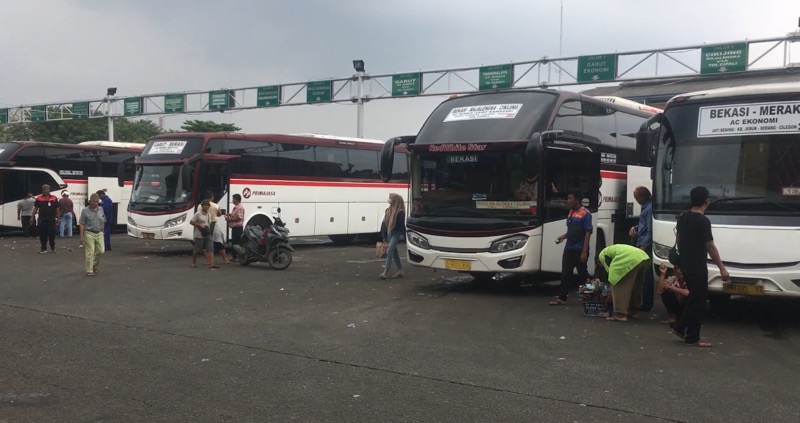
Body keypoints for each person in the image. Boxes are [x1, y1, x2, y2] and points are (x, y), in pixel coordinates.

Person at [671, 186, 729, 348]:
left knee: (694, 298)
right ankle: (691, 335)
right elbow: (710, 246)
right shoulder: (703, 221)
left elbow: (679, 240)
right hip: (697, 265)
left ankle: (682, 329)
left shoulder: (683, 217)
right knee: (699, 301)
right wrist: (722, 268)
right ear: (706, 201)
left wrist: (679, 263)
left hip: (685, 264)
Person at [550, 191, 593, 305]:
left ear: (577, 200)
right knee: (565, 273)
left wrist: (584, 252)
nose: (567, 201)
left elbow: (587, 233)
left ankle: (589, 297)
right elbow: (572, 231)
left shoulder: (585, 213)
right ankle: (562, 298)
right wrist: (563, 237)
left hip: (579, 249)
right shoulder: (571, 212)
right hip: (569, 247)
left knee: (582, 274)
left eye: (570, 198)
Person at [597, 244, 650, 321]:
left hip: (629, 258)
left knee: (620, 286)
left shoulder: (602, 255)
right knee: (636, 286)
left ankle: (620, 314)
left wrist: (612, 291)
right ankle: (633, 311)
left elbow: (611, 272)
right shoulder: (613, 249)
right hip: (643, 257)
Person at [628, 186, 654, 311]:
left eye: (637, 198)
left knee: (646, 276)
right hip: (641, 241)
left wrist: (643, 247)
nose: (637, 200)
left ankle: (647, 303)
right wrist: (635, 227)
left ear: (644, 196)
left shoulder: (649, 209)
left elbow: (650, 230)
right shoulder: (646, 207)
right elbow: (643, 225)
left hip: (645, 245)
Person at [379, 193, 406, 279]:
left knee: (389, 251)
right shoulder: (388, 210)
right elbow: (384, 223)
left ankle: (385, 272)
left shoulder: (400, 212)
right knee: (394, 253)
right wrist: (384, 236)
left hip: (396, 233)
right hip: (389, 232)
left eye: (390, 198)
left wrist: (406, 239)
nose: (389, 199)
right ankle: (400, 270)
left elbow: (402, 227)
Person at [79, 193, 106, 277]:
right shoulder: (85, 210)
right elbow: (82, 224)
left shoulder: (101, 209)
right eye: (94, 202)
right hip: (89, 233)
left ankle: (94, 264)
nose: (96, 204)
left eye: (97, 202)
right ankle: (89, 270)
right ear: (90, 201)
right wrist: (81, 237)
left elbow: (102, 221)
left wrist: (103, 232)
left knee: (101, 251)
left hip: (99, 233)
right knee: (90, 252)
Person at [31, 184, 60, 253]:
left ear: (49, 190)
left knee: (52, 234)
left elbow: (57, 208)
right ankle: (43, 248)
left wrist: (58, 217)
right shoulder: (39, 198)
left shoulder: (54, 198)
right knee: (42, 234)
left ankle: (52, 246)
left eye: (46, 189)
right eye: (43, 189)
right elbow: (35, 208)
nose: (45, 190)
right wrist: (32, 217)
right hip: (42, 220)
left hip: (51, 220)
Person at [190, 199, 218, 269]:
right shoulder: (198, 214)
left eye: (207, 205)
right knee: (197, 249)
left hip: (207, 233)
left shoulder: (209, 214)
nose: (206, 207)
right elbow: (191, 222)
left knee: (210, 248)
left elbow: (209, 223)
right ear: (202, 206)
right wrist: (199, 225)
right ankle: (193, 262)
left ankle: (211, 263)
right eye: (204, 205)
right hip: (199, 234)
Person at [224, 194, 245, 262]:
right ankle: (234, 256)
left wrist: (230, 220)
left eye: (233, 199)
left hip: (238, 228)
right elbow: (235, 215)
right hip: (234, 227)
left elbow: (239, 217)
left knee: (237, 243)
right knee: (234, 242)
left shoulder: (240, 207)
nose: (232, 200)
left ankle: (238, 257)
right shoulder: (236, 207)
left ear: (236, 199)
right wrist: (229, 215)